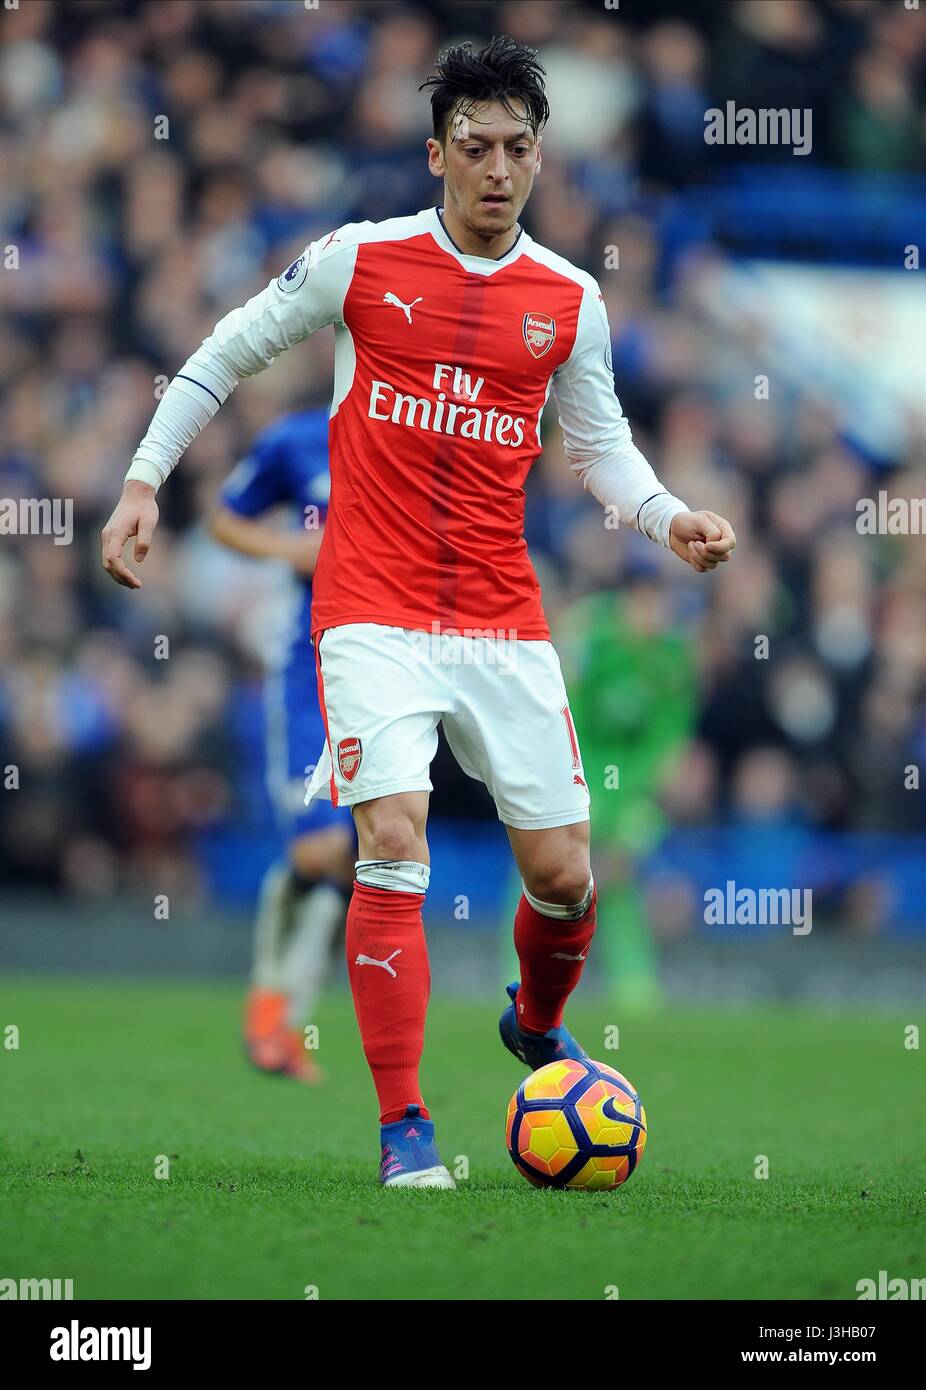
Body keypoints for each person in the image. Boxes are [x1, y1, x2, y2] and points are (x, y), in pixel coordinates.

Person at [102, 36, 736, 1189]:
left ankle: (534, 1026)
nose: (498, 169)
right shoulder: (358, 261)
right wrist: (143, 480)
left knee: (563, 880)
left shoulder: (567, 300)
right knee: (390, 844)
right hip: (371, 613)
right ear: (435, 152)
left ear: (540, 159)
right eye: (477, 147)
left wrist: (668, 516)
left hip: (502, 621)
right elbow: (220, 353)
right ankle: (404, 1129)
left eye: (519, 149)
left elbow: (599, 453)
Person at [209, 408, 355, 1083]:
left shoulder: (421, 424)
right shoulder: (298, 440)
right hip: (310, 670)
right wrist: (288, 549)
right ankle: (269, 1009)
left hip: (397, 668)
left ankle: (281, 1022)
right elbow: (225, 516)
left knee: (363, 860)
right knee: (319, 849)